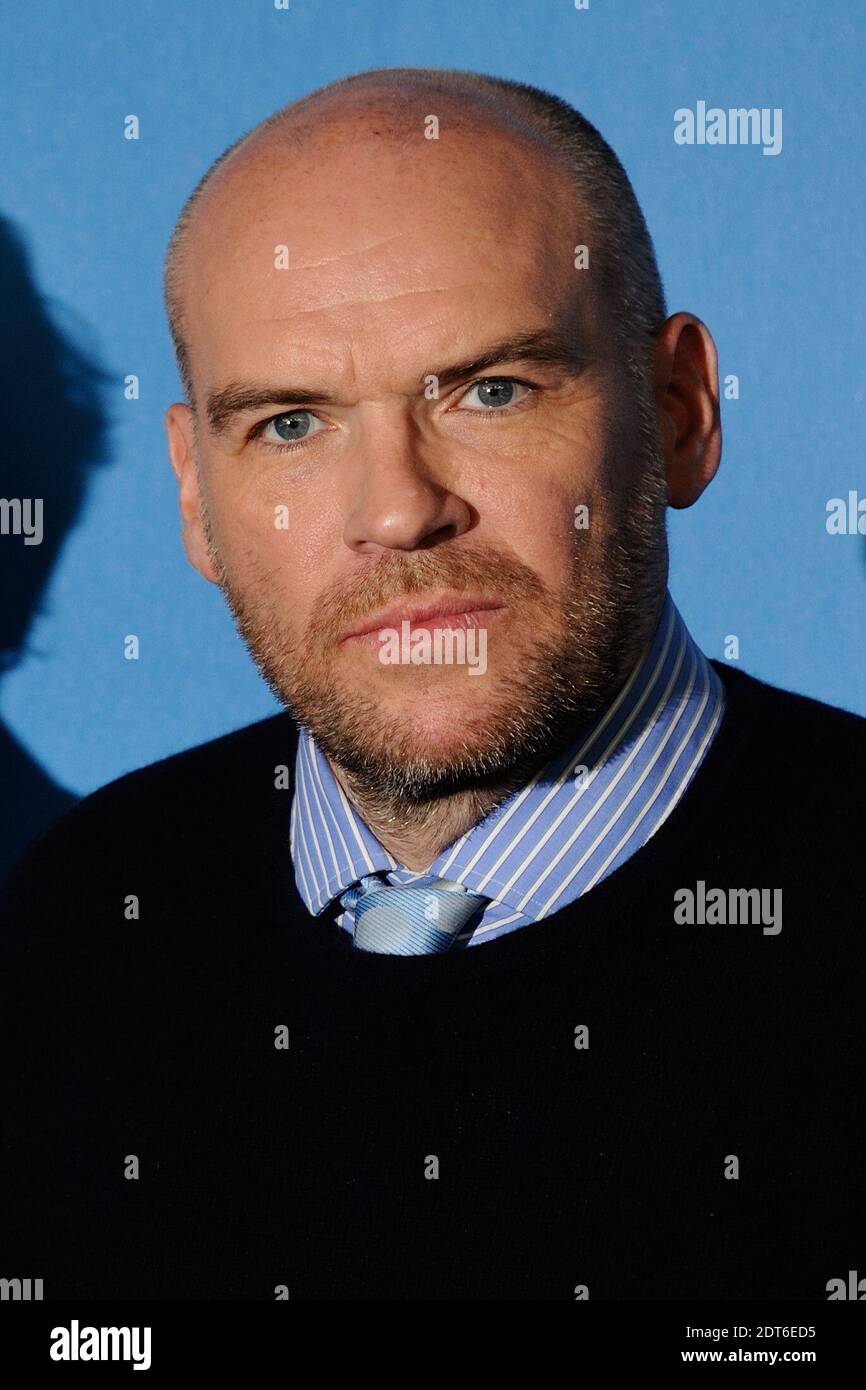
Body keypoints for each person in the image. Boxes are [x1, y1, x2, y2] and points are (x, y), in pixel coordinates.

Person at [1, 67, 863, 1301]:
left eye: (491, 391)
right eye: (291, 423)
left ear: (677, 414)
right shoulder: (81, 915)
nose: (399, 509)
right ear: (195, 496)